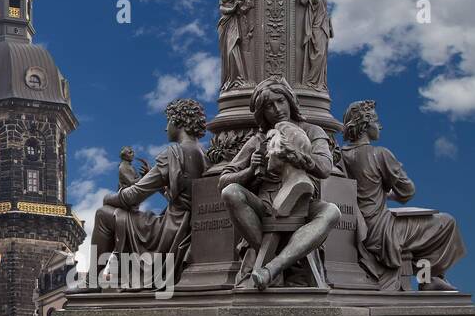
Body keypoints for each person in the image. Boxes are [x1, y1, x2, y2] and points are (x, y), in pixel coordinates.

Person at [220, 76, 340, 289]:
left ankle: (274, 267)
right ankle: (280, 259)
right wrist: (249, 171)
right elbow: (224, 180)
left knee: (331, 212)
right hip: (265, 206)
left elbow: (324, 168)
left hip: (302, 205)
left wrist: (296, 155)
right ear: (262, 113)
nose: (276, 109)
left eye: (280, 101)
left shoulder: (312, 131)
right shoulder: (258, 139)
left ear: (290, 101)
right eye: (269, 106)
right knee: (231, 192)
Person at [340, 100, 465, 291]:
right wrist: (392, 195)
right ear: (365, 125)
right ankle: (428, 278)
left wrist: (382, 193)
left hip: (359, 226)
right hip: (381, 231)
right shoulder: (380, 154)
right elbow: (407, 191)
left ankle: (429, 277)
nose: (379, 126)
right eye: (376, 121)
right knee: (446, 222)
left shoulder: (340, 154)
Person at [92, 99, 209, 283]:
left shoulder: (173, 153)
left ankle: (93, 281)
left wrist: (108, 197)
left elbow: (133, 196)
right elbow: (181, 197)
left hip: (169, 231)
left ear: (178, 121)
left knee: (103, 214)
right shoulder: (203, 153)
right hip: (185, 229)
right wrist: (162, 188)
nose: (165, 128)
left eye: (168, 121)